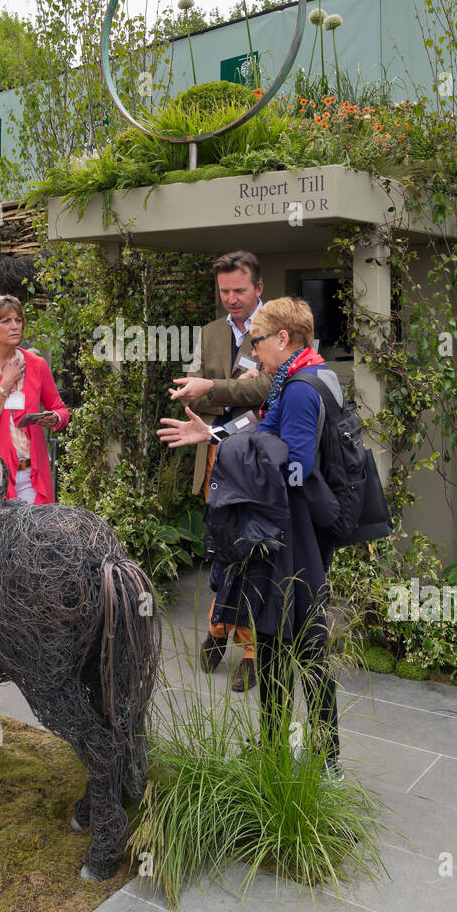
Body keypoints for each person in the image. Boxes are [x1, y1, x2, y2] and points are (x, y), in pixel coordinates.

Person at [158, 296, 343, 779]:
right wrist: (213, 436)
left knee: (300, 642)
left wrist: (231, 455)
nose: (253, 352)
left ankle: (322, 759)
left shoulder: (300, 389)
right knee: (282, 639)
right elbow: (265, 430)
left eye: (257, 342)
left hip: (289, 537)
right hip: (291, 532)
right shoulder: (308, 374)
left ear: (283, 338)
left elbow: (292, 467)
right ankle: (281, 751)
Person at [169, 250, 270, 692]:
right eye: (225, 291)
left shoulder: (275, 329)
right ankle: (221, 626)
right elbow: (189, 393)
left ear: (259, 288)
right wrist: (232, 391)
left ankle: (243, 644)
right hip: (214, 457)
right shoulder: (209, 333)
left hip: (257, 465)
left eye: (240, 290)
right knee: (223, 552)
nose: (231, 298)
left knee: (252, 555)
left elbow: (267, 389)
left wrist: (214, 387)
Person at [0, 294, 68, 505]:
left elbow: (61, 410)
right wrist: (6, 383)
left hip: (32, 475)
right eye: (6, 321)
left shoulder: (37, 365)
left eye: (18, 320)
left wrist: (55, 418)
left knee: (35, 527)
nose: (15, 326)